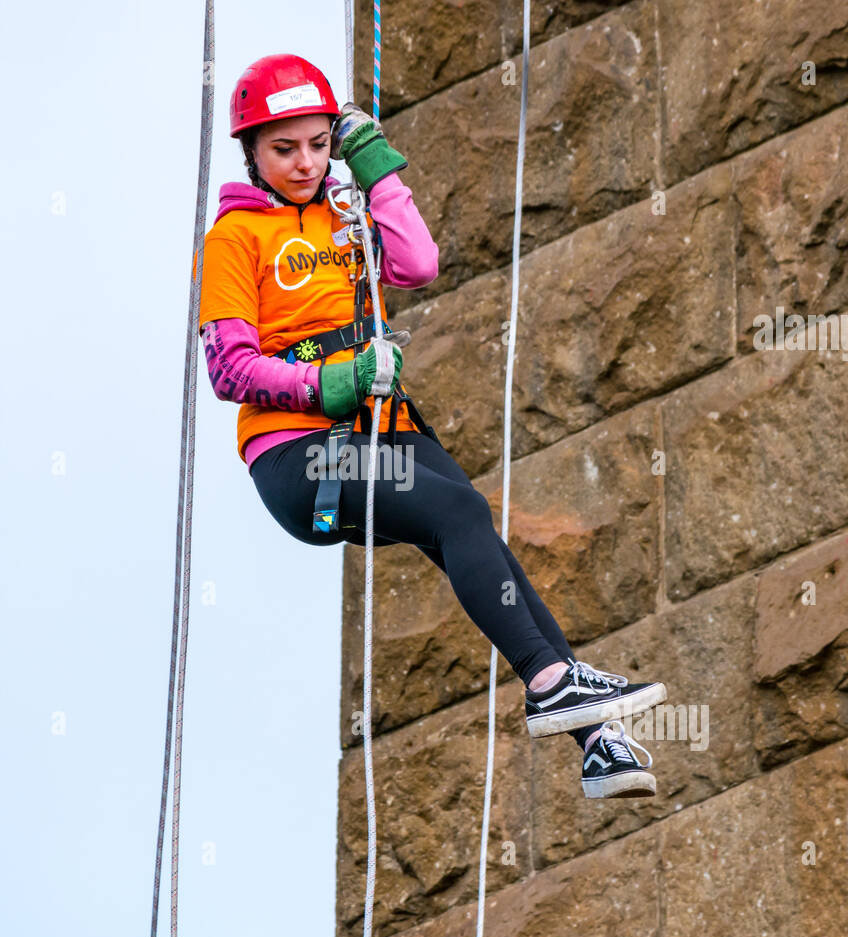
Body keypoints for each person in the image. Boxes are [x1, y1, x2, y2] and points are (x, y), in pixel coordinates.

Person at [197, 53, 666, 799]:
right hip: (299, 458)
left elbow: (418, 264)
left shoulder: (341, 213)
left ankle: (597, 741)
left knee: (473, 532)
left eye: (319, 143)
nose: (304, 162)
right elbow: (230, 369)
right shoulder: (234, 239)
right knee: (455, 510)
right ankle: (552, 686)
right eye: (284, 148)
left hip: (379, 424)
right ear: (250, 151)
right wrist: (331, 382)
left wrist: (376, 167)